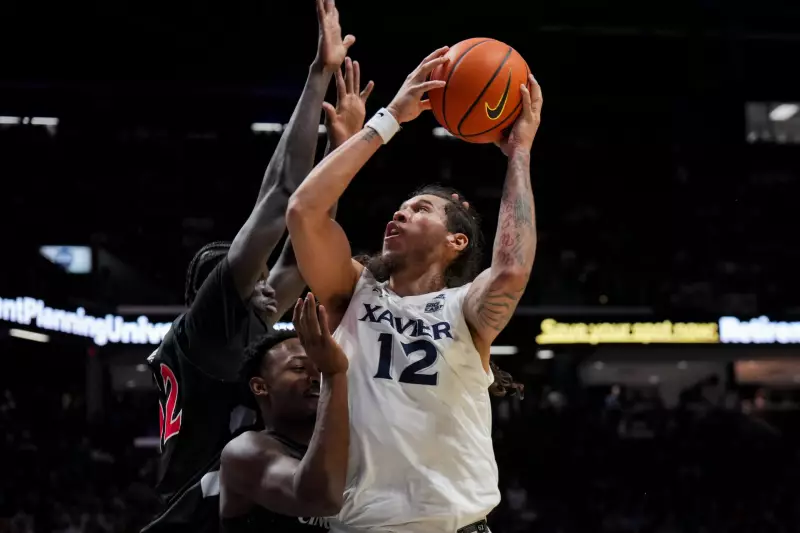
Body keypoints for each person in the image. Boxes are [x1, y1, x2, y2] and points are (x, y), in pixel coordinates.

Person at [286, 45, 542, 532]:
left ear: (456, 242)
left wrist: (520, 153)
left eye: (421, 209)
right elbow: (303, 212)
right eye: (400, 208)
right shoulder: (352, 292)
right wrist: (387, 120)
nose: (400, 213)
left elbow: (511, 270)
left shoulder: (465, 309)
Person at [141, 1, 373, 530]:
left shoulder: (238, 335)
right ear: (222, 291)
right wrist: (319, 75)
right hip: (194, 515)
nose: (271, 291)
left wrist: (340, 150)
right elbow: (284, 194)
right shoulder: (208, 332)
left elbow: (307, 240)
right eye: (255, 280)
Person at [218, 293, 349, 532]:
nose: (317, 377)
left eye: (320, 367)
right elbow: (319, 499)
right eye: (299, 367)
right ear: (260, 387)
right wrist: (333, 373)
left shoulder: (351, 444)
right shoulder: (243, 452)